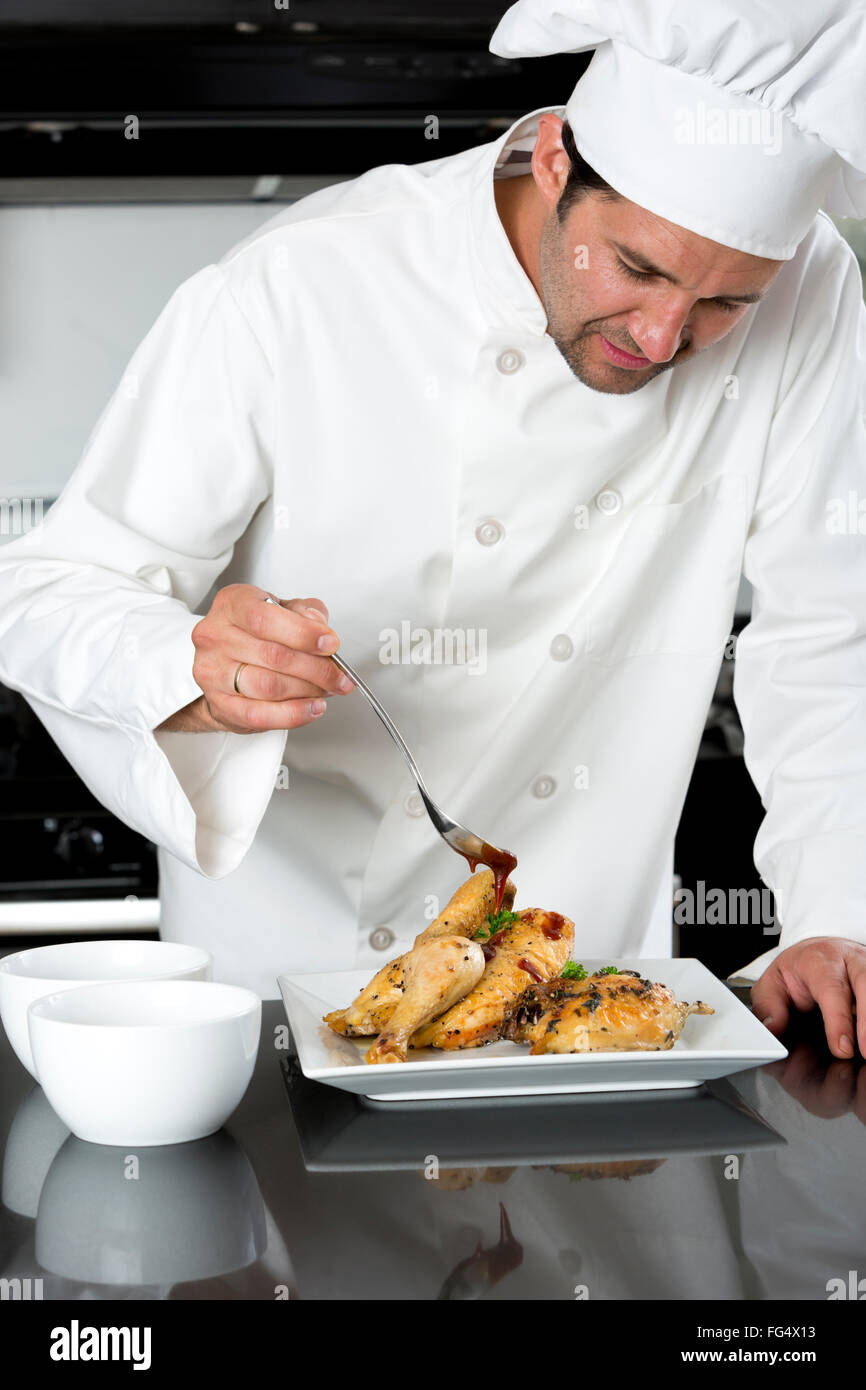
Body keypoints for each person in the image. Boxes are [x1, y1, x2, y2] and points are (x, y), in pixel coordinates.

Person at [0, 0, 865, 1057]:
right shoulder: (301, 284)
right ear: (553, 157)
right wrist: (192, 666)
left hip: (587, 1001)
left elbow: (829, 629)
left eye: (727, 305)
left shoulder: (817, 290)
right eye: (635, 270)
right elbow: (46, 590)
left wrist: (835, 912)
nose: (660, 336)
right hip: (284, 994)